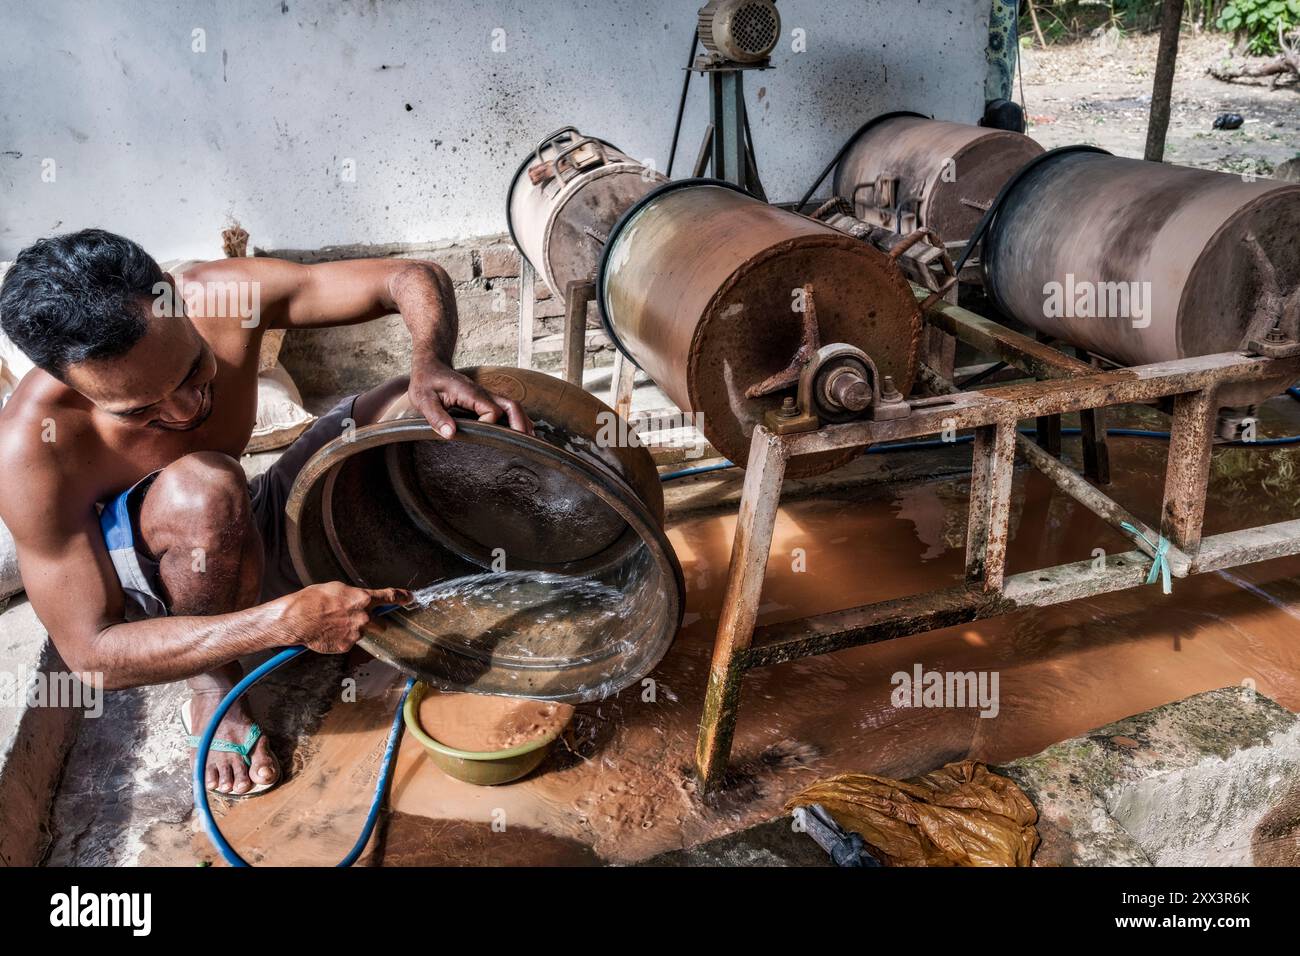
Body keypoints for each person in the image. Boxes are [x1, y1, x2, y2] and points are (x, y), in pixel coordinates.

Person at [0, 229, 531, 796]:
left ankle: (408, 555)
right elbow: (91, 655)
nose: (184, 411)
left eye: (192, 371)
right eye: (141, 411)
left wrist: (432, 362)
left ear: (179, 301)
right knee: (203, 487)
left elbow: (409, 276)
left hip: (244, 513)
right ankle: (216, 693)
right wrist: (284, 622)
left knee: (412, 403)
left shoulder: (223, 296)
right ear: (66, 382)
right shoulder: (33, 448)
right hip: (164, 588)